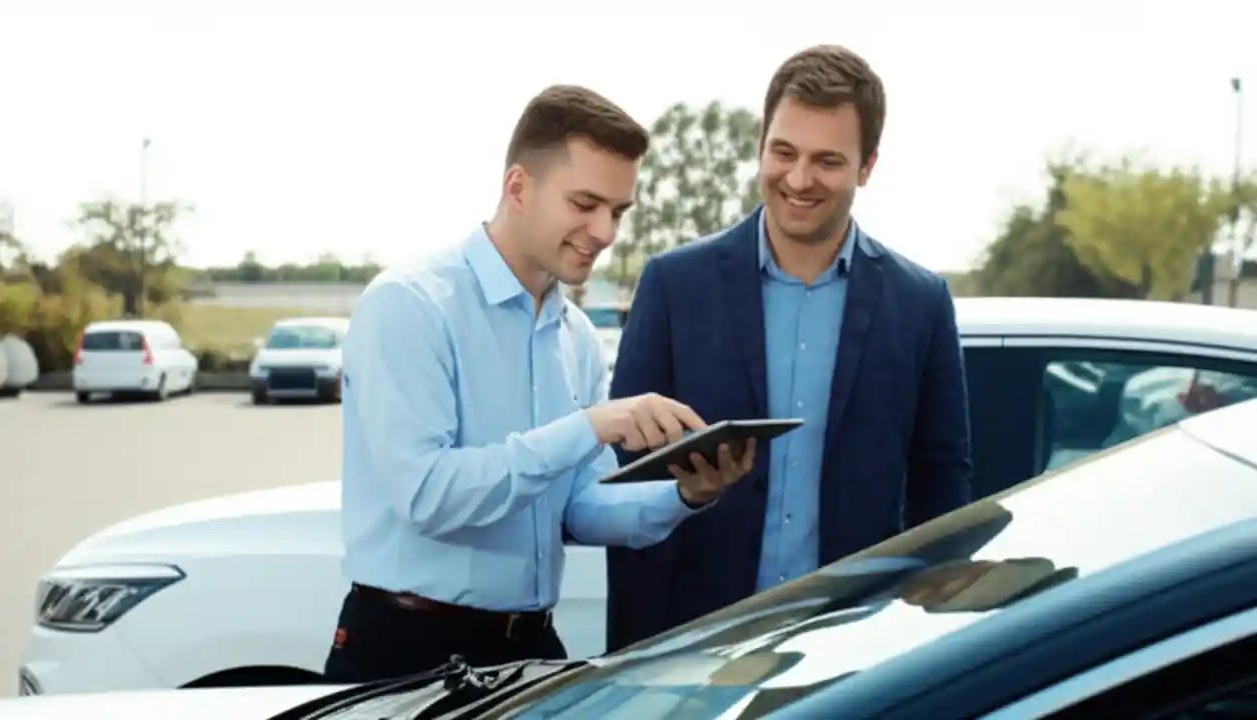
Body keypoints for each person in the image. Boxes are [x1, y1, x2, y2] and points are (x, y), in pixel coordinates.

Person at [322, 84, 757, 684]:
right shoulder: (410, 304)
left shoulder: (574, 335)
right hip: (406, 650)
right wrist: (587, 427)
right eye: (585, 203)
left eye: (618, 211)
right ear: (518, 188)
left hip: (529, 648)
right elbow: (428, 498)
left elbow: (579, 508)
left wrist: (686, 495)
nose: (604, 231)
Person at [604, 44, 973, 652]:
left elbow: (942, 482)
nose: (799, 179)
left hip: (850, 652)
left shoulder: (921, 302)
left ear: (867, 166)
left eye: (827, 160)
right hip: (686, 647)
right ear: (761, 147)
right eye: (784, 152)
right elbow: (624, 471)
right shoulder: (675, 285)